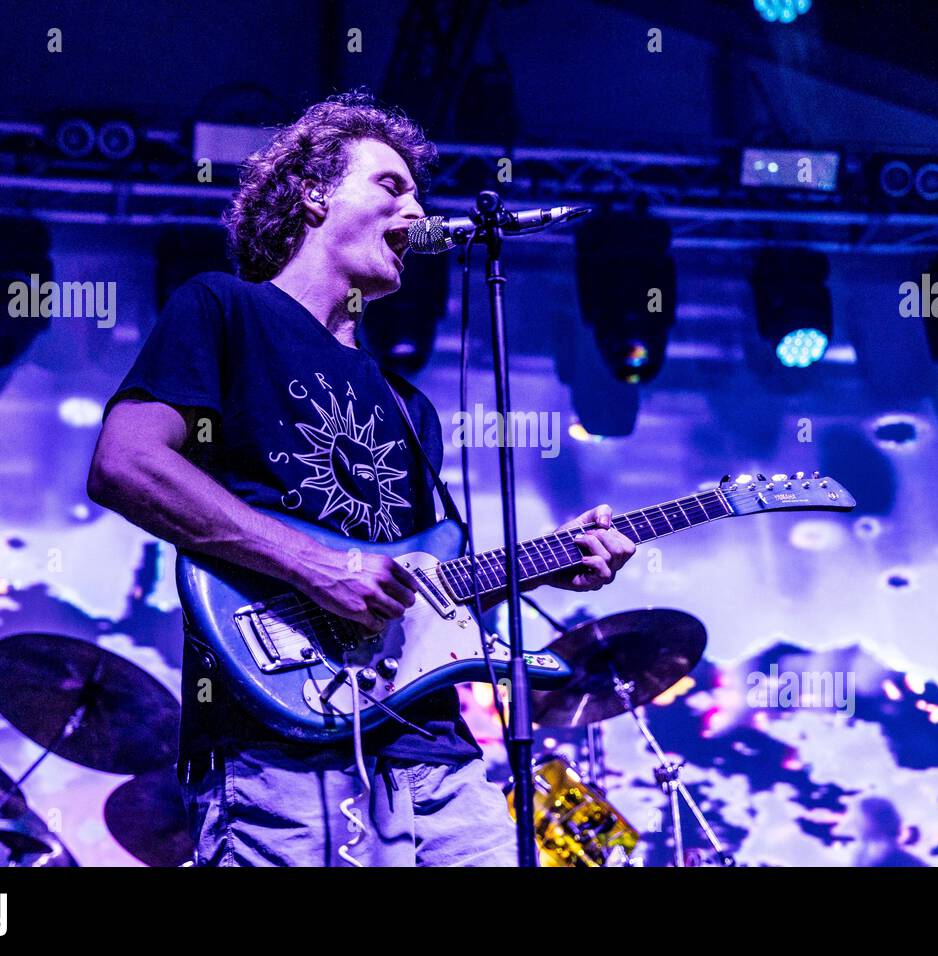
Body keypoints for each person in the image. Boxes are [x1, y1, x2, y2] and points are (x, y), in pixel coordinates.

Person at [87, 90, 636, 866]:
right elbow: (126, 463)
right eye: (391, 186)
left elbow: (426, 581)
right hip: (277, 739)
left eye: (417, 192)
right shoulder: (224, 309)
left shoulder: (411, 408)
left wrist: (550, 567)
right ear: (313, 193)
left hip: (436, 754)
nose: (416, 209)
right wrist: (319, 565)